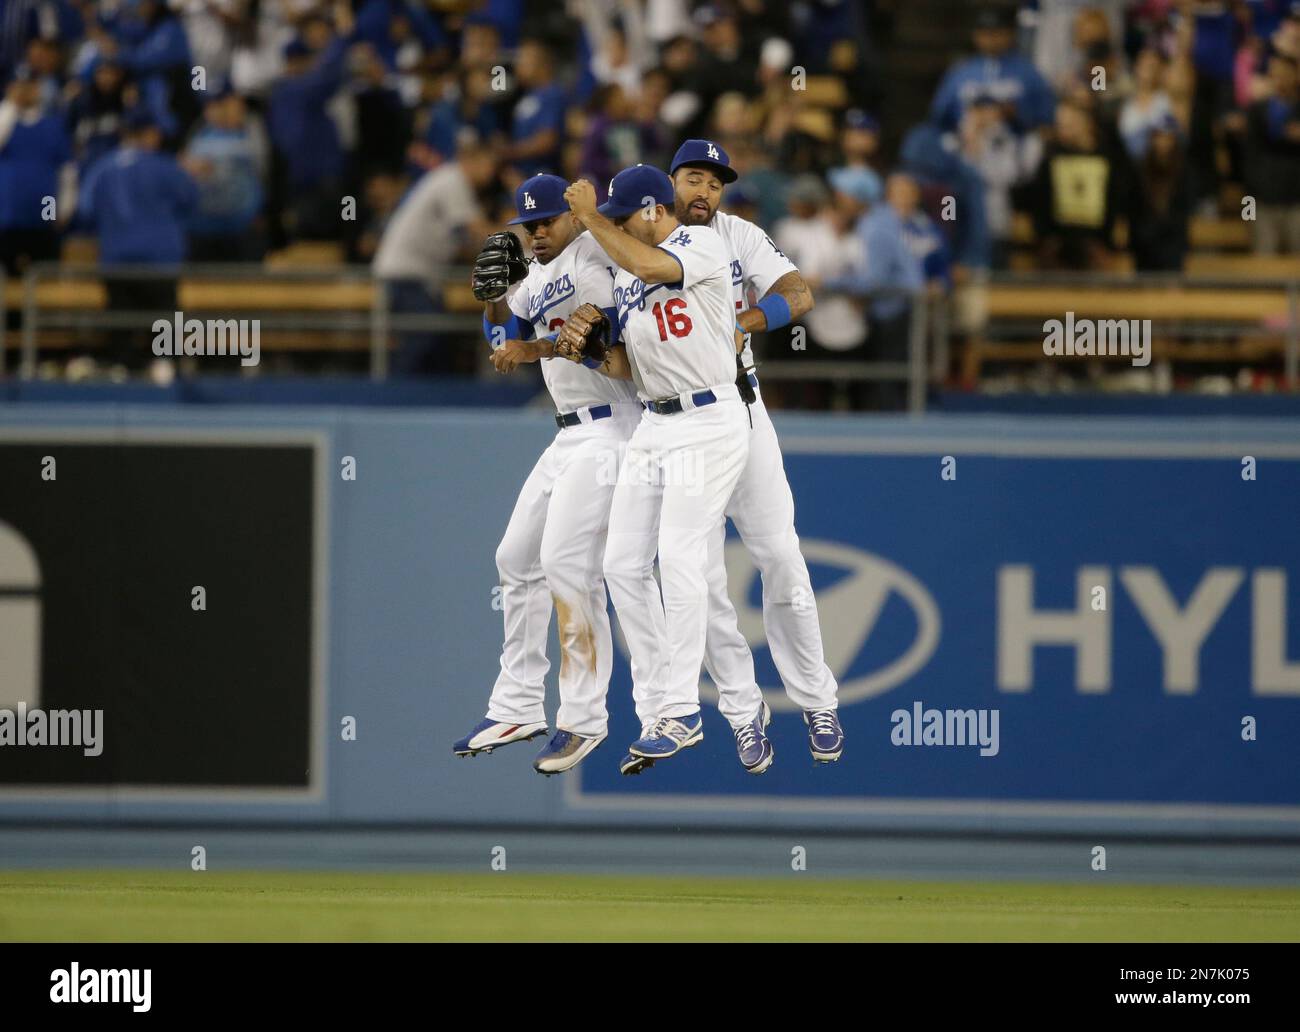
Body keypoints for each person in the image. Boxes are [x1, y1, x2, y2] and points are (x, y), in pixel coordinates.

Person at [452, 173, 644, 775]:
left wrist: (528, 347)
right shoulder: (534, 276)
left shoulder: (592, 253)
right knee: (515, 559)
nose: (535, 233)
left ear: (568, 215)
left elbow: (606, 338)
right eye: (526, 225)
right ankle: (517, 704)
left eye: (545, 222)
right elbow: (503, 335)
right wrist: (491, 301)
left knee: (568, 564)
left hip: (615, 423)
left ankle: (584, 718)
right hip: (568, 431)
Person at [564, 165, 754, 768]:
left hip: (708, 418)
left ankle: (683, 712)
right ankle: (657, 709)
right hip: (655, 419)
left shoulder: (699, 242)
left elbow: (649, 268)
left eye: (622, 218)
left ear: (651, 209)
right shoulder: (628, 269)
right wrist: (592, 354)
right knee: (622, 564)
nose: (613, 228)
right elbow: (631, 368)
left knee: (678, 558)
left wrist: (590, 216)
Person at [663, 139, 845, 763]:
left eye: (715, 183)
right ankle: (743, 714)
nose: (705, 193)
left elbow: (799, 295)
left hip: (740, 407)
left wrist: (744, 322)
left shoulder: (739, 235)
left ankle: (818, 701)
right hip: (672, 422)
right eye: (694, 179)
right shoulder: (643, 246)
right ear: (671, 182)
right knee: (704, 577)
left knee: (781, 557)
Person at [79, 108, 198, 369]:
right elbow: (191, 200)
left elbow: (85, 211)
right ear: (151, 134)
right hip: (159, 260)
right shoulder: (166, 168)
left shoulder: (101, 168)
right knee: (164, 329)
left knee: (122, 326)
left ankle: (124, 372)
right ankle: (164, 373)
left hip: (117, 259)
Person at [372, 132, 498, 375]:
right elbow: (480, 234)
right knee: (424, 338)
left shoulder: (452, 181)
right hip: (404, 274)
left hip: (420, 276)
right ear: (472, 160)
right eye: (489, 163)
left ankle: (427, 402)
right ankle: (394, 396)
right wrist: (521, 236)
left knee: (439, 345)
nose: (491, 172)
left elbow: (468, 244)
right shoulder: (452, 180)